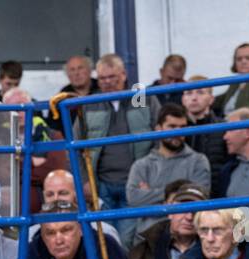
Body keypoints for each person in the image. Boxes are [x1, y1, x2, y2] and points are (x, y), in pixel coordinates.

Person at [71, 54, 158, 236]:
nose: (107, 82)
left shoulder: (140, 95)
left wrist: (151, 173)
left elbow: (159, 136)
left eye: (112, 77)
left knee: (129, 237)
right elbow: (74, 146)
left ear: (124, 74)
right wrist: (84, 180)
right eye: (103, 78)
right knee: (105, 236)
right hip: (101, 184)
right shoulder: (90, 102)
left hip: (136, 182)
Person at [125, 103, 211, 242]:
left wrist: (150, 194)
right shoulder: (141, 165)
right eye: (172, 126)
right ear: (158, 129)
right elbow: (134, 199)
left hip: (186, 236)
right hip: (147, 238)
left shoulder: (198, 161)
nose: (178, 132)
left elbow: (199, 197)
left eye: (182, 127)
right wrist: (175, 194)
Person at [180, 77, 228, 198]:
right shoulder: (176, 130)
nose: (194, 98)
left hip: (218, 196)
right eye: (189, 92)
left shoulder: (224, 128)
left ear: (211, 99)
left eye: (200, 92)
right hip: (183, 197)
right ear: (183, 99)